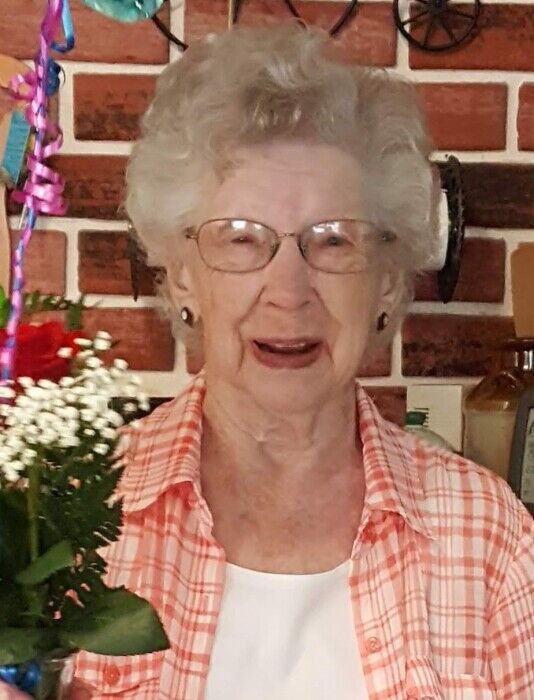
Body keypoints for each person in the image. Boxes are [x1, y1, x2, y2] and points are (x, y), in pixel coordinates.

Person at [3, 23, 533, 700]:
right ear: (183, 276)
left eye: (334, 241)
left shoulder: (487, 533)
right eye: (241, 239)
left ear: (387, 281)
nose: (288, 290)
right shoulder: (59, 518)